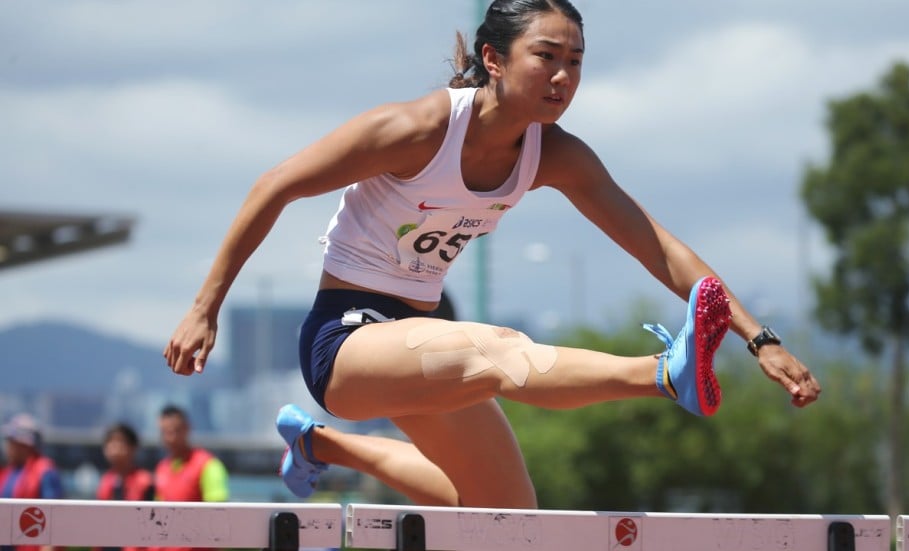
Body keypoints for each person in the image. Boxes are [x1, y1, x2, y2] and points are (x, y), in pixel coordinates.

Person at [165, 0, 821, 508]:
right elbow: (275, 185)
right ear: (494, 58)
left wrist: (758, 338)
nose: (563, 77)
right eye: (546, 56)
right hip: (346, 340)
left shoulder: (555, 154)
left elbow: (657, 246)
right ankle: (664, 375)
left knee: (507, 513)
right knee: (498, 348)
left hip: (422, 338)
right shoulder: (419, 129)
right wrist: (204, 308)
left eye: (576, 61)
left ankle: (322, 446)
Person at [154, 406, 228, 551]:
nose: (170, 438)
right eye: (164, 432)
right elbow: (158, 516)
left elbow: (217, 514)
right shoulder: (161, 467)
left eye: (175, 431)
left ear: (187, 428)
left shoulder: (208, 464)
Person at [1, 414, 63, 551]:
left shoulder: (45, 470)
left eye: (11, 441)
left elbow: (53, 514)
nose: (7, 446)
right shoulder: (8, 471)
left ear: (25, 445)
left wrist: (48, 547)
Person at [95, 423, 154, 551]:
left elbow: (153, 526)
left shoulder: (145, 481)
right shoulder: (105, 481)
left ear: (133, 448)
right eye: (110, 442)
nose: (114, 447)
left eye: (119, 442)